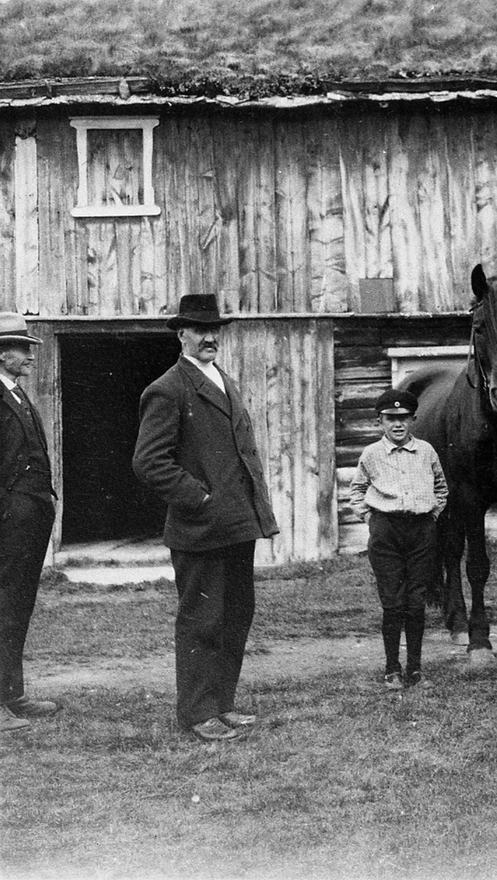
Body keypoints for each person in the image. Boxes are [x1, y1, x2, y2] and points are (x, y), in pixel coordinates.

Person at [133, 294, 278, 742]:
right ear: (182, 335)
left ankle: (222, 704)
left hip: (237, 523)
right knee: (202, 620)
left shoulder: (222, 379)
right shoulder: (168, 388)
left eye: (215, 329)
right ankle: (197, 714)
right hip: (201, 527)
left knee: (236, 615)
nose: (210, 336)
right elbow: (149, 462)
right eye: (199, 329)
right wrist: (200, 497)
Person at [350, 388, 448, 689]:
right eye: (390, 419)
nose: (397, 425)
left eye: (403, 418)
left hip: (420, 532)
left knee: (416, 602)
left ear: (412, 420)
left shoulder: (427, 452)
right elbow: (356, 492)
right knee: (393, 603)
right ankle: (392, 669)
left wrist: (430, 517)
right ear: (380, 421)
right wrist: (372, 520)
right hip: (386, 533)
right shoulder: (371, 454)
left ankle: (416, 670)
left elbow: (441, 489)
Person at [0, 313, 59, 733]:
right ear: (2, 353)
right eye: (23, 348)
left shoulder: (16, 394)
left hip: (29, 518)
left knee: (17, 605)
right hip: (8, 520)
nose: (30, 356)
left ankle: (11, 694)